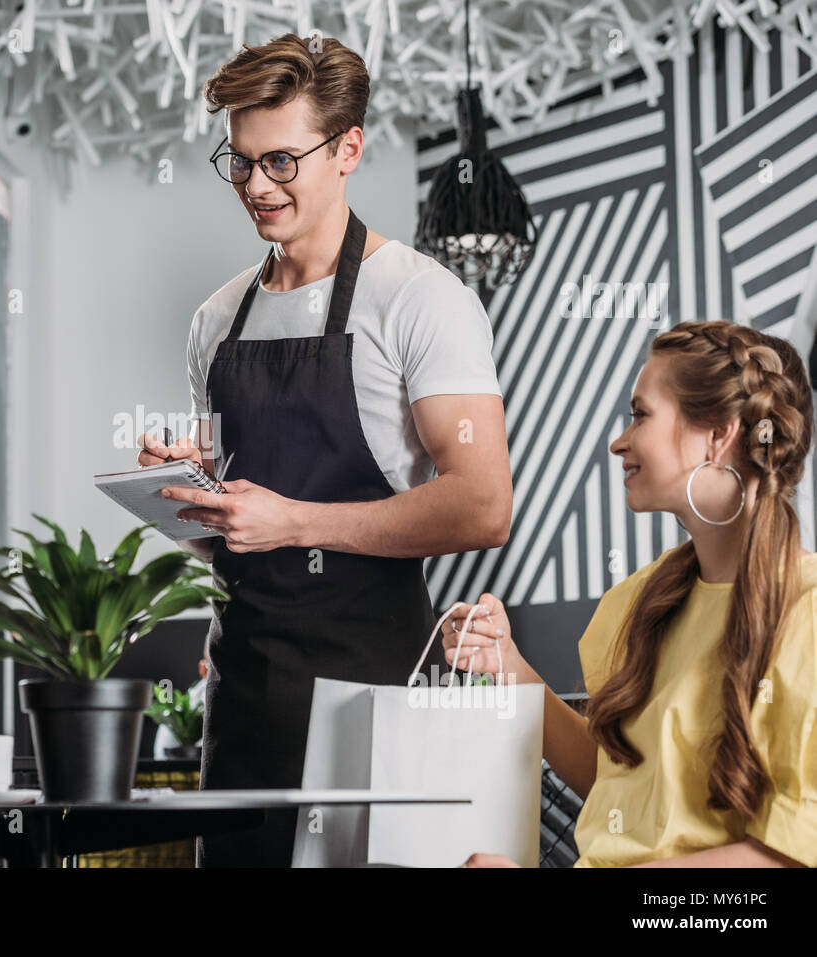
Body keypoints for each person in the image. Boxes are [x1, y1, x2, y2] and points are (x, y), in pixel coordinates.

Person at [137, 34, 513, 867]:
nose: (256, 188)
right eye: (238, 164)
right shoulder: (216, 319)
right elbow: (230, 533)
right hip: (242, 709)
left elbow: (484, 503)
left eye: (280, 162)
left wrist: (291, 520)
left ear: (348, 149)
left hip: (372, 700)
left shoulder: (421, 299)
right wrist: (188, 493)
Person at [445, 321, 815, 868]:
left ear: (719, 434)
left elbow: (787, 858)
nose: (620, 441)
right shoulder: (640, 602)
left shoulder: (806, 615)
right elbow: (621, 783)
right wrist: (510, 670)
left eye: (640, 415)